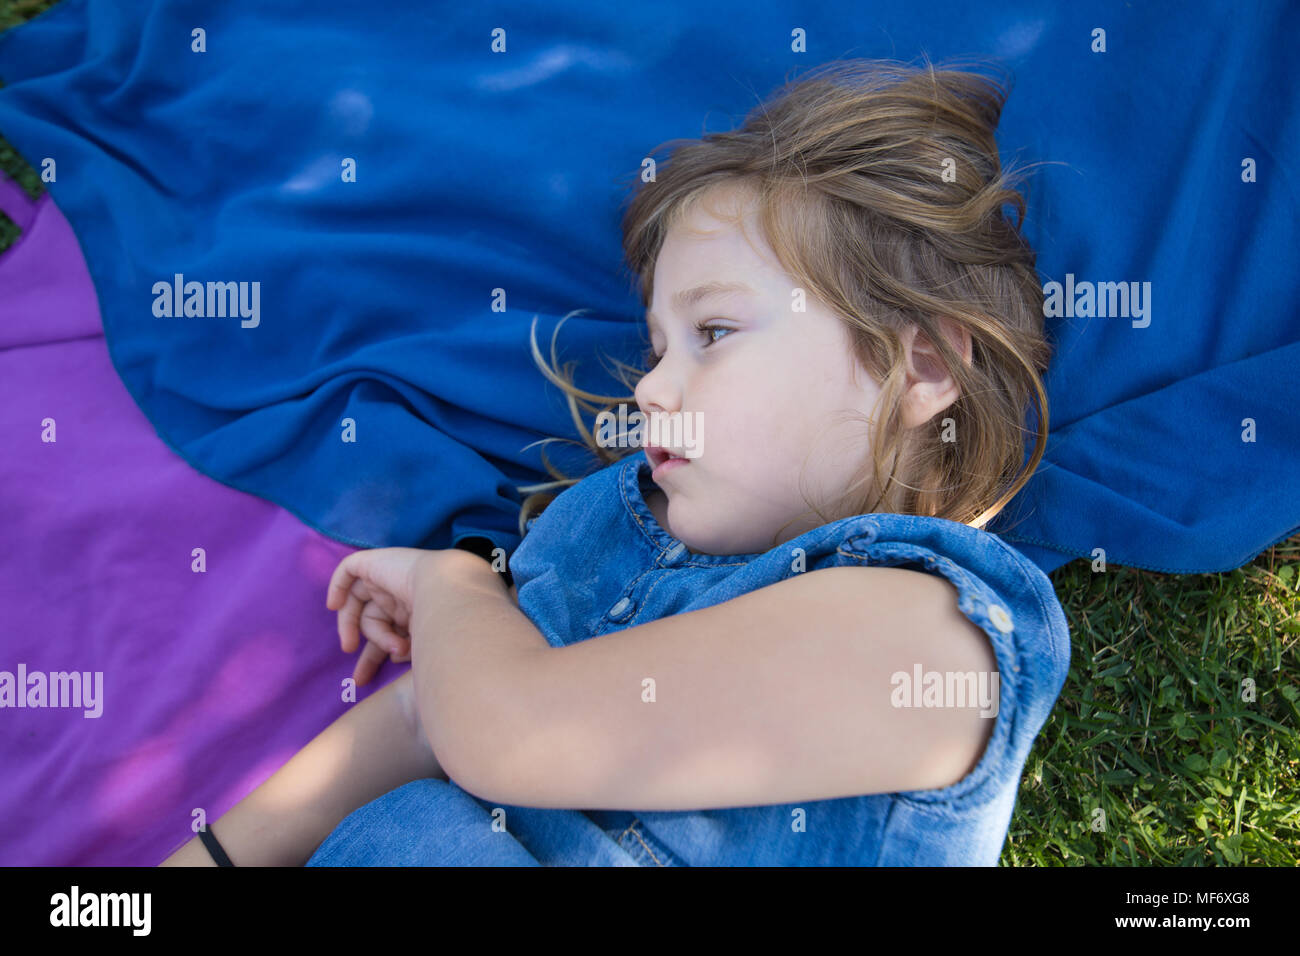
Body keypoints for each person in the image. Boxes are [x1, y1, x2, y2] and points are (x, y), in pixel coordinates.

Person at [160, 55, 1070, 868]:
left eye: (714, 332)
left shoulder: (929, 633)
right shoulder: (610, 527)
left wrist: (453, 590)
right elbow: (423, 715)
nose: (650, 392)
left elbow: (506, 729)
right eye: (657, 348)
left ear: (921, 367)